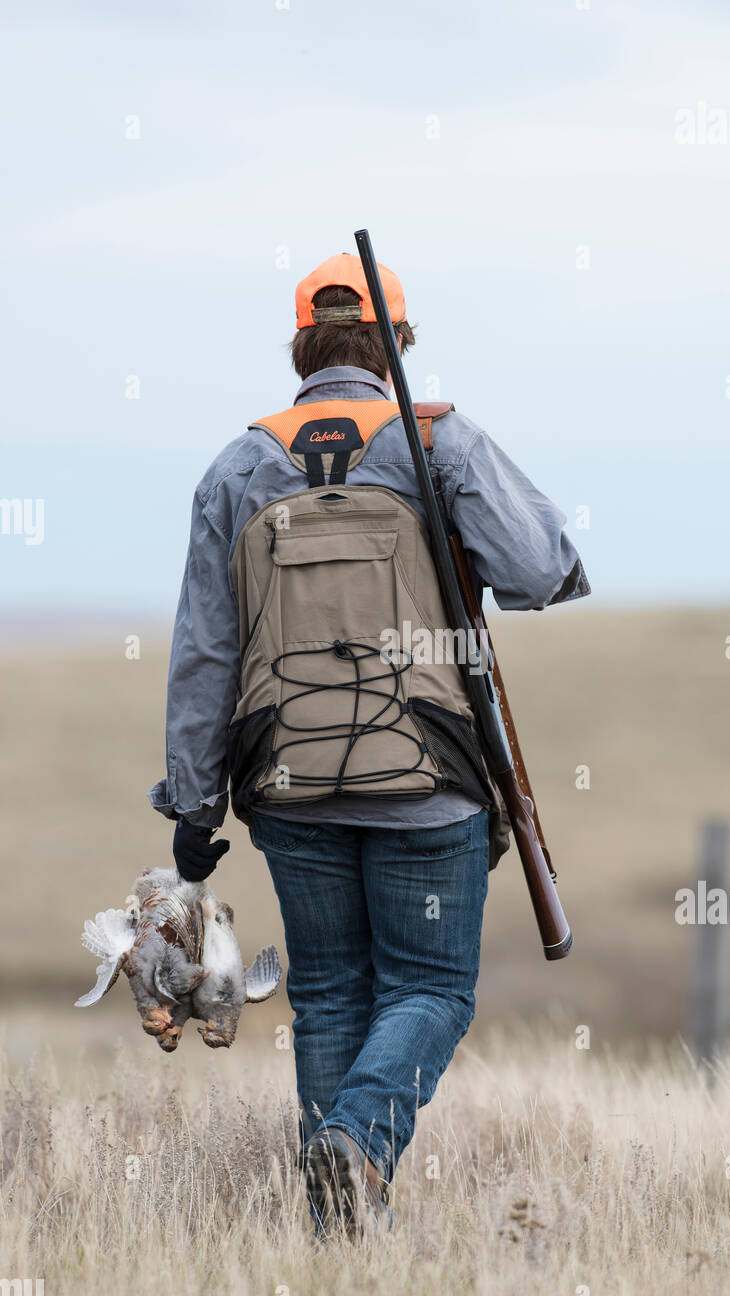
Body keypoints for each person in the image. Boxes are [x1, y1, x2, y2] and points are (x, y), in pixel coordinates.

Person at [149, 251, 589, 1235]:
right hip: (428, 777)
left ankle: (340, 1223)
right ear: (395, 343)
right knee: (430, 985)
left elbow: (205, 649)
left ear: (303, 345)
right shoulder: (439, 442)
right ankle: (354, 1144)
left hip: (289, 785)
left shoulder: (238, 462)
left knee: (333, 992)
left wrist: (192, 803)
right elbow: (539, 569)